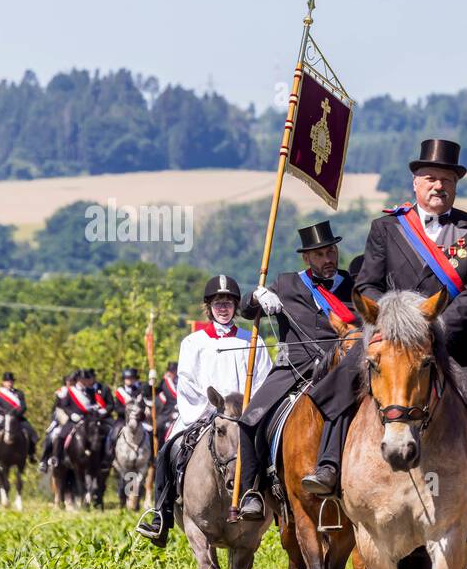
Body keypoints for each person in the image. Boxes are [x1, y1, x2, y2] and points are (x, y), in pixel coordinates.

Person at [305, 138, 467, 540]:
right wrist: (397, 319)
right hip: (392, 338)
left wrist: (435, 327)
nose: (438, 186)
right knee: (341, 381)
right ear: (415, 183)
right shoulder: (387, 229)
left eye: (446, 179)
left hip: (454, 340)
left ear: (456, 185)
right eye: (430, 178)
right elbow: (368, 284)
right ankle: (328, 465)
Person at [235, 220, 358, 520]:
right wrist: (256, 296)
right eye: (319, 254)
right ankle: (251, 491)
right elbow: (246, 311)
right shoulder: (288, 283)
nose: (328, 259)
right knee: (250, 419)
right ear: (306, 258)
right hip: (295, 368)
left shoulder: (354, 286)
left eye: (331, 251)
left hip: (342, 369)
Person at [135, 276, 271, 545]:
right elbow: (186, 381)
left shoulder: (252, 340)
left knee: (271, 452)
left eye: (229, 303)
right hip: (203, 414)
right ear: (208, 308)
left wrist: (248, 410)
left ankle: (281, 508)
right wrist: (211, 411)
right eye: (218, 303)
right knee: (167, 449)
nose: (224, 308)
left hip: (243, 417)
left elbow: (264, 380)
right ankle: (160, 514)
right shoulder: (193, 342)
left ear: (235, 307)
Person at [0, 371, 38, 464]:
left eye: (11, 381)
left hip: (17, 419)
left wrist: (15, 415)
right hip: (3, 419)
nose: (9, 383)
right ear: (3, 383)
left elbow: (23, 407)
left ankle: (31, 454)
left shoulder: (19, 393)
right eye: (7, 381)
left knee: (33, 434)